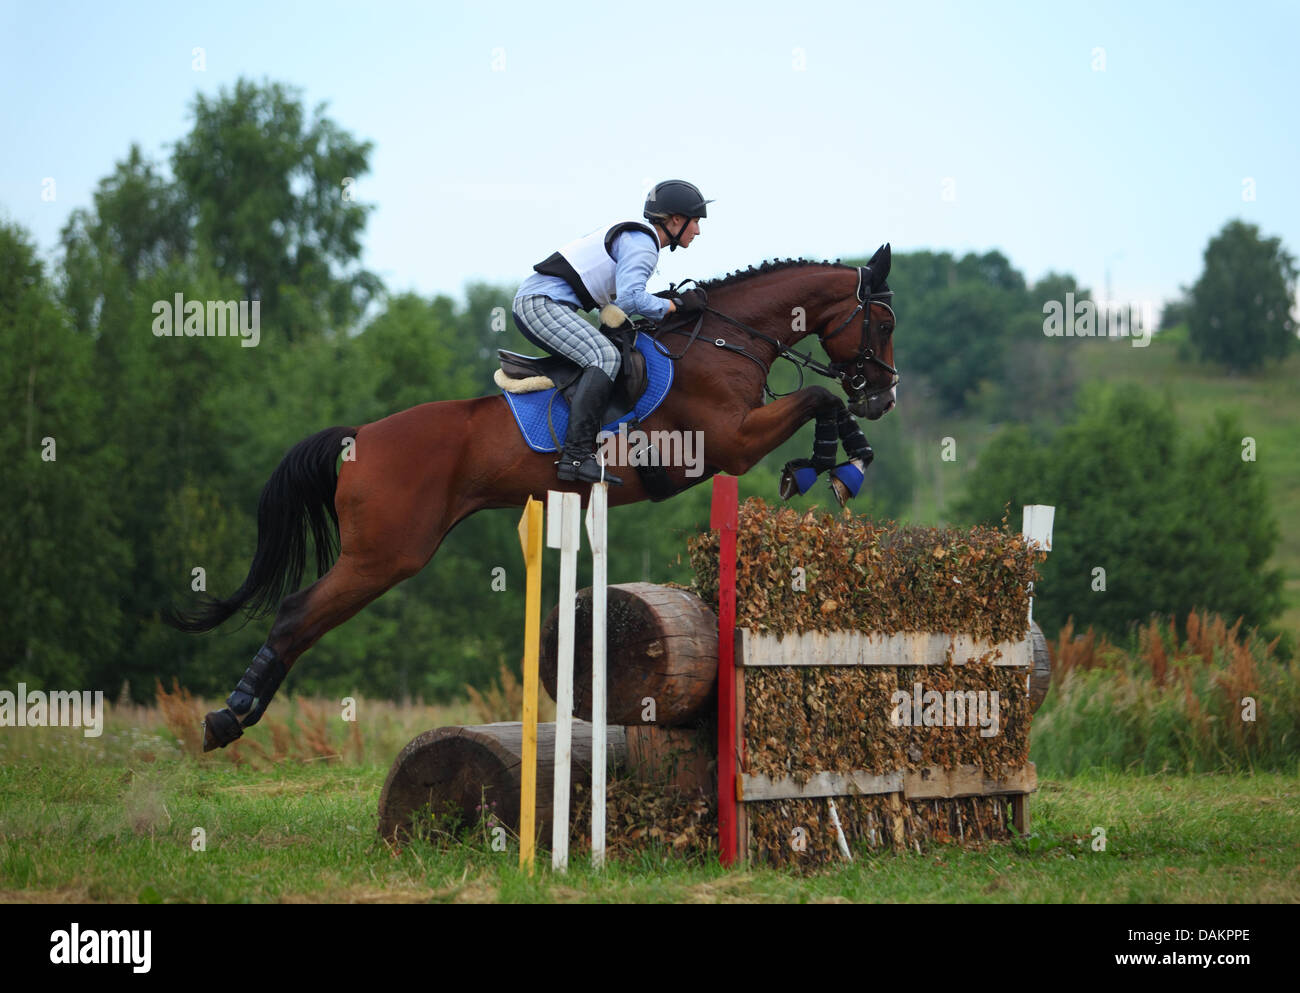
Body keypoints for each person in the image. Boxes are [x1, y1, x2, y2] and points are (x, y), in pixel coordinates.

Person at [512, 179, 712, 485]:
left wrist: (664, 304)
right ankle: (575, 456)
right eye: (695, 222)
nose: (697, 231)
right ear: (675, 220)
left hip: (548, 303)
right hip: (541, 305)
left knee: (607, 351)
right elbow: (632, 298)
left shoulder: (636, 238)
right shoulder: (644, 245)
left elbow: (621, 300)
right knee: (604, 357)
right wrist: (676, 306)